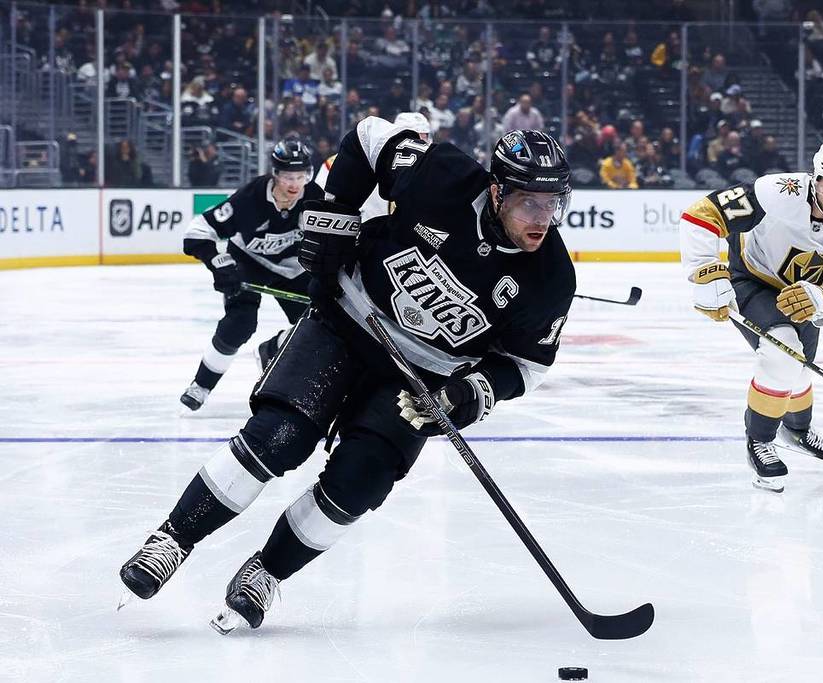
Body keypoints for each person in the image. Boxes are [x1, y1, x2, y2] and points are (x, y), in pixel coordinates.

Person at [118, 122, 575, 633]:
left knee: (359, 483)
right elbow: (370, 137)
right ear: (497, 191)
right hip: (346, 319)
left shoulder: (553, 278)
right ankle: (173, 539)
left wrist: (470, 393)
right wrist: (333, 216)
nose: (543, 218)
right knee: (277, 438)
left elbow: (524, 365)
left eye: (553, 203)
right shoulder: (440, 174)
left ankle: (266, 573)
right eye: (529, 204)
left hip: (418, 380)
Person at [679, 138, 823, 492]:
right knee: (781, 352)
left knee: (799, 367)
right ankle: (760, 438)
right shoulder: (778, 191)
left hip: (805, 296)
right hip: (752, 278)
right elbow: (702, 214)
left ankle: (798, 429)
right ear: (814, 176)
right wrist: (704, 271)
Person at [177, 140, 324, 411]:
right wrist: (219, 263)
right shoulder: (250, 198)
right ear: (276, 175)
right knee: (240, 323)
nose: (294, 185)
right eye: (288, 177)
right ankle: (201, 386)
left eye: (300, 177)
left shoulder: (316, 198)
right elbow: (197, 230)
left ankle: (271, 349)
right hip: (248, 263)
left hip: (292, 266)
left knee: (318, 326)